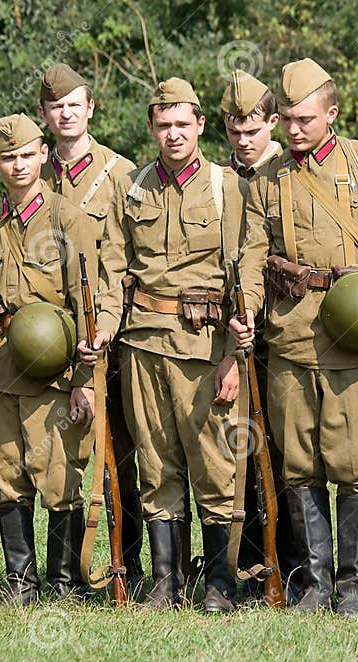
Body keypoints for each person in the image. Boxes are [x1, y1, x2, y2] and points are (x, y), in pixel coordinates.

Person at [237, 57, 358, 616]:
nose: (294, 130)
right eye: (287, 119)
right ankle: (314, 586)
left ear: (332, 114)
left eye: (306, 119)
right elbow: (251, 256)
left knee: (355, 465)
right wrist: (246, 309)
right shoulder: (267, 179)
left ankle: (354, 590)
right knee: (299, 465)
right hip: (291, 337)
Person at [81, 78, 267, 613]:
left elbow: (247, 267)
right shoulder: (131, 186)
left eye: (183, 123)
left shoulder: (227, 187)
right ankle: (167, 582)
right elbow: (114, 269)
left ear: (201, 125)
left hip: (204, 349)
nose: (174, 134)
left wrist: (234, 354)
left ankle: (220, 584)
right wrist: (104, 328)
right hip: (142, 344)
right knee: (155, 464)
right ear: (151, 127)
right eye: (164, 125)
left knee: (215, 465)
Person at [0, 113, 97, 604]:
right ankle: (21, 580)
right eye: (8, 157)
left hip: (53, 372)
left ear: (42, 155)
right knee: (5, 476)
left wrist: (84, 378)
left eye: (27, 155)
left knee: (58, 476)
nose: (18, 165)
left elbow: (87, 304)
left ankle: (64, 582)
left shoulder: (67, 218)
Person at [37, 62, 144, 592]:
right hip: (48, 338)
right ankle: (66, 574)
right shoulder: (32, 173)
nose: (66, 114)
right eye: (56, 107)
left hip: (109, 334)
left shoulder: (123, 174)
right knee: (61, 453)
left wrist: (105, 324)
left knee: (120, 452)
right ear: (44, 114)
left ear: (91, 109)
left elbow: (134, 256)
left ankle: (129, 566)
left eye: (74, 105)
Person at [218, 68, 299, 600]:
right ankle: (244, 562)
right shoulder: (218, 180)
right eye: (234, 131)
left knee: (288, 455)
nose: (243, 141)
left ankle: (292, 567)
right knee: (237, 451)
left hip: (284, 334)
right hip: (231, 336)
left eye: (252, 130)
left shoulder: (288, 173)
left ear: (272, 123)